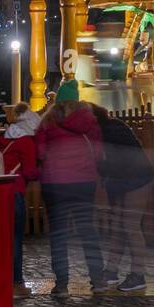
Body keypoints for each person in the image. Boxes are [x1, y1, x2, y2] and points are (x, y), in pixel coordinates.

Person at [35, 81, 105, 296]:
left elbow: (39, 153)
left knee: (58, 235)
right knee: (87, 231)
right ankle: (98, 280)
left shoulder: (47, 122)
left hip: (54, 183)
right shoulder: (89, 122)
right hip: (84, 182)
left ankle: (62, 284)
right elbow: (98, 152)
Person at [90, 104, 154, 295]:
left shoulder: (109, 129)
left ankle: (138, 274)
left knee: (130, 225)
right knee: (120, 225)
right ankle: (111, 271)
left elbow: (112, 160)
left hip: (137, 177)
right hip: (121, 179)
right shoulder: (106, 128)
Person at [0, 103, 41, 298]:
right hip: (14, 193)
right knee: (15, 239)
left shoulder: (1, 139)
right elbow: (29, 171)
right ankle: (16, 283)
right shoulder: (26, 142)